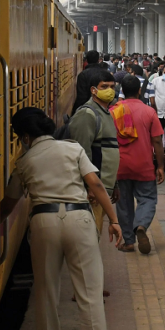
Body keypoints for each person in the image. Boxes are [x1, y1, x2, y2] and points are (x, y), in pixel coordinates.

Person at [0, 107, 121, 330]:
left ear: (25, 136)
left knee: (46, 294)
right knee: (90, 294)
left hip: (43, 222)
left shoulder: (24, 162)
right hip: (79, 218)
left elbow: (9, 203)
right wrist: (114, 220)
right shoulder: (73, 149)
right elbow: (96, 185)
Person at [112, 75, 165, 254]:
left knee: (124, 204)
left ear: (122, 91)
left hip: (120, 165)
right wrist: (160, 166)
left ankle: (128, 242)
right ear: (139, 91)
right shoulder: (149, 112)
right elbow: (157, 141)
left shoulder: (113, 111)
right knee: (148, 199)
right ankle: (141, 225)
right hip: (143, 164)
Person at [67, 68, 120, 248]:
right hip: (93, 192)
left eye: (112, 86)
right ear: (93, 90)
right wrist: (90, 186)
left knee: (94, 237)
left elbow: (108, 151)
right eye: (104, 86)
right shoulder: (87, 114)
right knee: (89, 242)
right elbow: (81, 153)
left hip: (103, 188)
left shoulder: (104, 113)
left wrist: (115, 184)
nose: (110, 90)